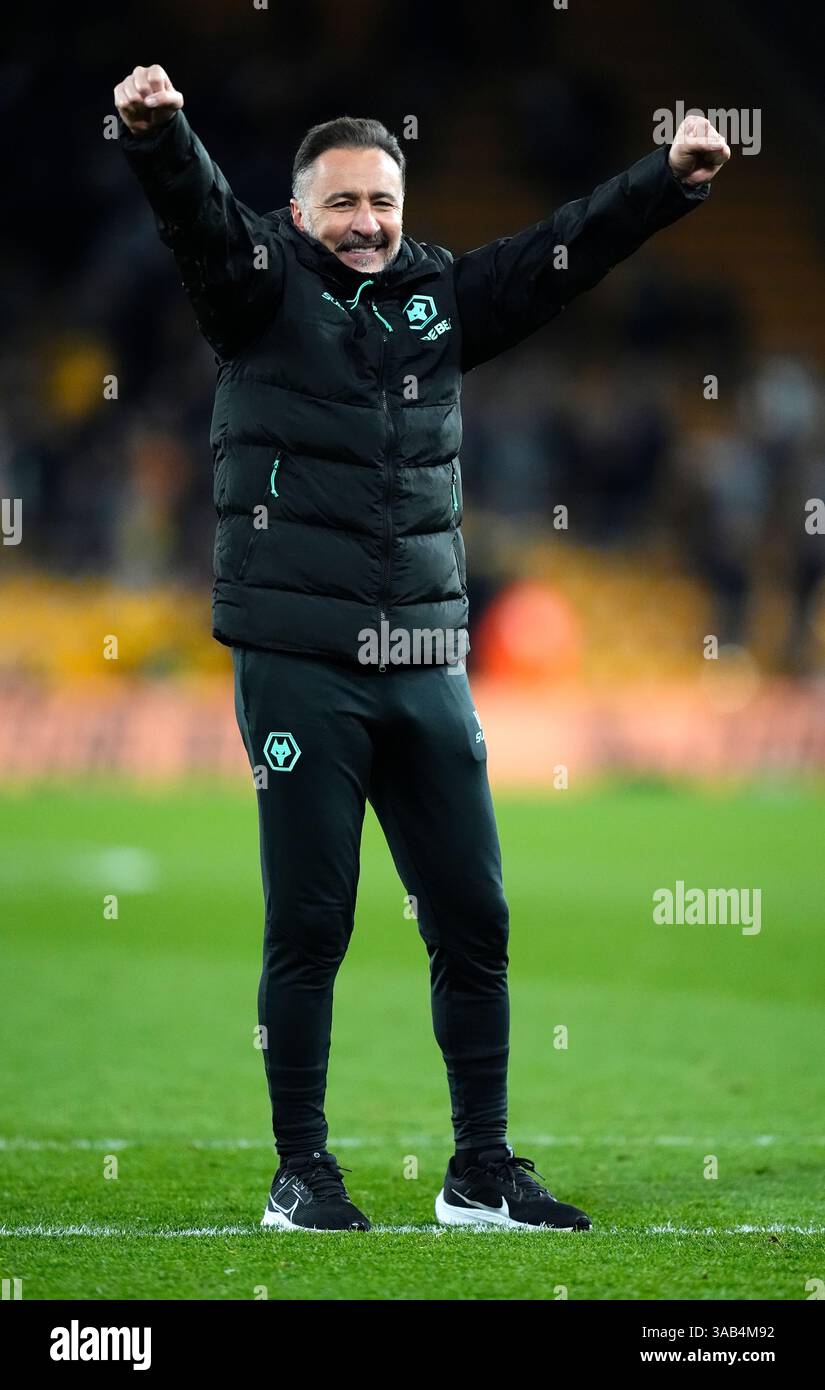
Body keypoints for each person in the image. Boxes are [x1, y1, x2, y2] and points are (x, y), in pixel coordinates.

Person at [114, 63, 729, 1232]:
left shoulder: (438, 296)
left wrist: (664, 183)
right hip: (300, 659)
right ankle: (302, 1170)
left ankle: (479, 1171)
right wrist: (162, 136)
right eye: (342, 204)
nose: (366, 224)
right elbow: (197, 215)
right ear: (299, 215)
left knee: (475, 919)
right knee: (310, 923)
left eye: (382, 203)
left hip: (426, 659)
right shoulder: (253, 290)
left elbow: (562, 252)